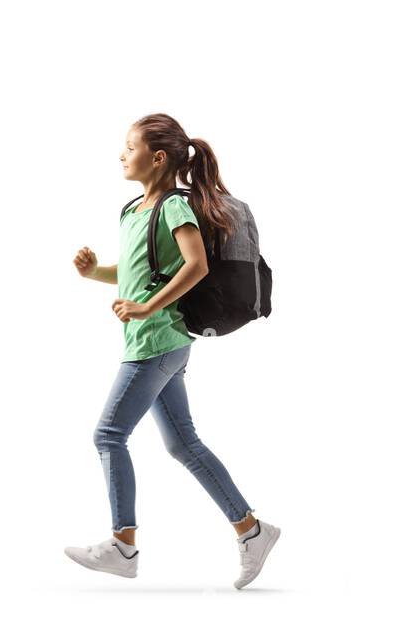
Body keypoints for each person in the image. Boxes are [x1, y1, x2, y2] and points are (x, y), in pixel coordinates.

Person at [63, 113, 280, 589]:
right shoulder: (132, 211)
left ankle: (122, 545)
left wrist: (147, 307)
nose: (122, 154)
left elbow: (196, 265)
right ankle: (252, 531)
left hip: (157, 342)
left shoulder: (175, 208)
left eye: (130, 146)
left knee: (108, 435)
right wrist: (95, 272)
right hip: (156, 343)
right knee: (183, 444)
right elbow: (133, 270)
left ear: (158, 158)